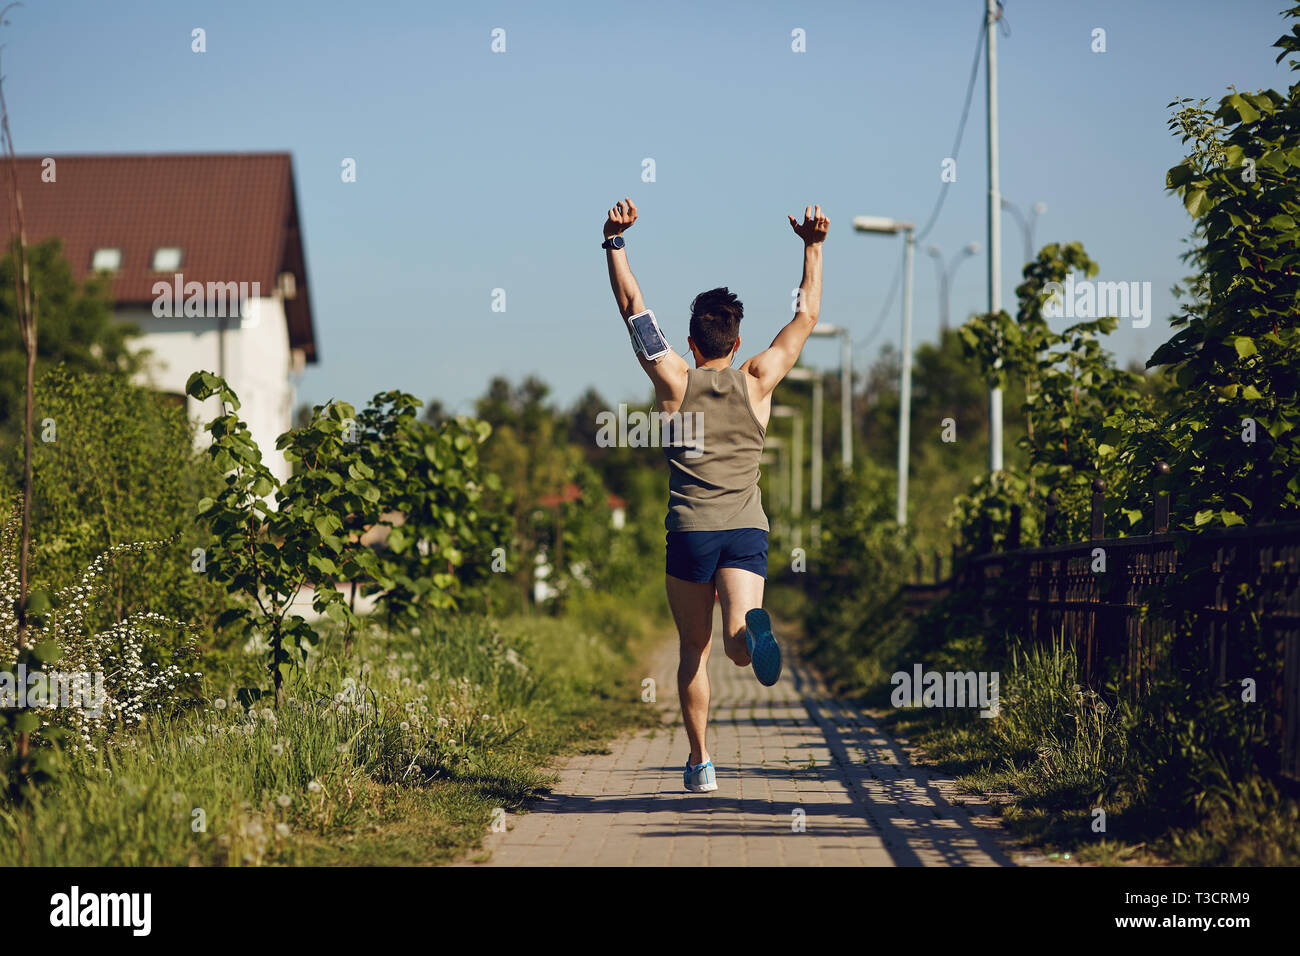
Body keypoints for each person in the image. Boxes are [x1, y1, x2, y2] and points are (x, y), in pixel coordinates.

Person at [601, 197, 829, 792]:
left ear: (691, 339)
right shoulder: (759, 378)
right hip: (747, 528)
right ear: (736, 337)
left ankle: (701, 762)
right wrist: (812, 246)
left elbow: (632, 308)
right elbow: (805, 319)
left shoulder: (674, 378)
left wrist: (614, 241)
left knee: (693, 654)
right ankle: (751, 627)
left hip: (691, 530)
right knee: (734, 645)